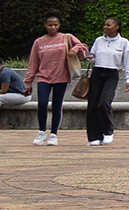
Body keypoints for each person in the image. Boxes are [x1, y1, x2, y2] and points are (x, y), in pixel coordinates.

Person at [24, 13, 84, 145]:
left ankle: (53, 134)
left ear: (59, 25)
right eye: (50, 25)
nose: (53, 27)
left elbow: (83, 47)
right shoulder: (39, 42)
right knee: (42, 103)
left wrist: (74, 49)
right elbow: (33, 63)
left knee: (57, 105)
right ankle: (41, 131)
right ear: (45, 25)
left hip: (62, 77)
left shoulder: (66, 37)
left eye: (55, 25)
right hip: (43, 77)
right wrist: (28, 83)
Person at [75, 16, 129, 146]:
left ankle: (108, 131)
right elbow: (93, 57)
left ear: (117, 27)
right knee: (92, 105)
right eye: (104, 25)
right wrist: (87, 55)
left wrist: (128, 78)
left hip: (111, 74)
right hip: (97, 73)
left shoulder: (123, 42)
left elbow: (127, 61)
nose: (105, 27)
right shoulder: (99, 40)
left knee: (104, 103)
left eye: (108, 25)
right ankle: (94, 137)